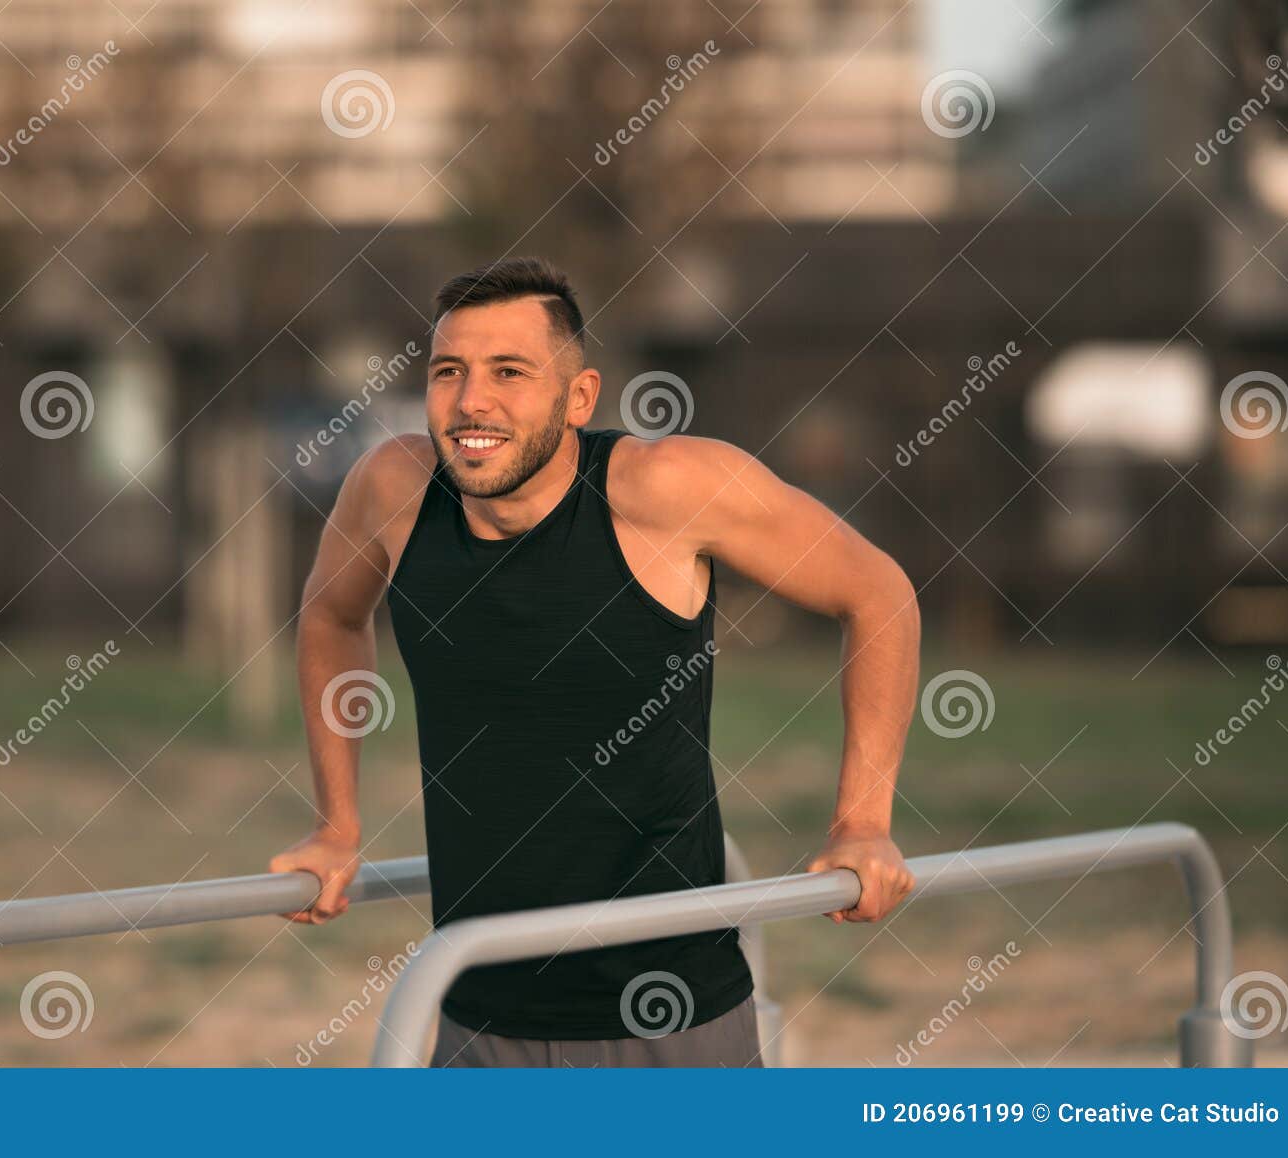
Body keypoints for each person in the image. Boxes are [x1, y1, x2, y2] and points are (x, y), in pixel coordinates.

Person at [270, 256, 920, 1067]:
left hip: (671, 1023)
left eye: (509, 371)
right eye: (449, 372)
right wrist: (338, 825)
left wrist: (863, 824)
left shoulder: (668, 487)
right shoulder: (393, 489)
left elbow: (879, 594)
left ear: (579, 398)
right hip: (477, 1015)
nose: (471, 401)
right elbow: (331, 615)